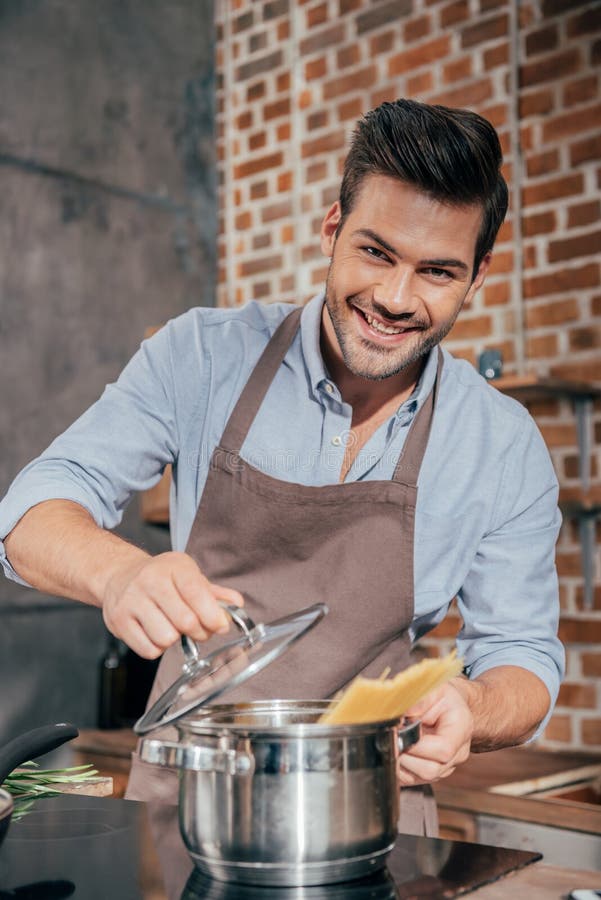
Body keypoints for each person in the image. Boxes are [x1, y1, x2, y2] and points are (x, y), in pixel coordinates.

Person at [0, 98, 564, 835]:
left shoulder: (501, 442)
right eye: (375, 252)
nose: (395, 299)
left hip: (374, 809)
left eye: (436, 272)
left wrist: (474, 708)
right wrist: (121, 573)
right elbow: (31, 512)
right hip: (190, 801)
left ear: (477, 274)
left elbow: (521, 654)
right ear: (332, 229)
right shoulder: (199, 354)